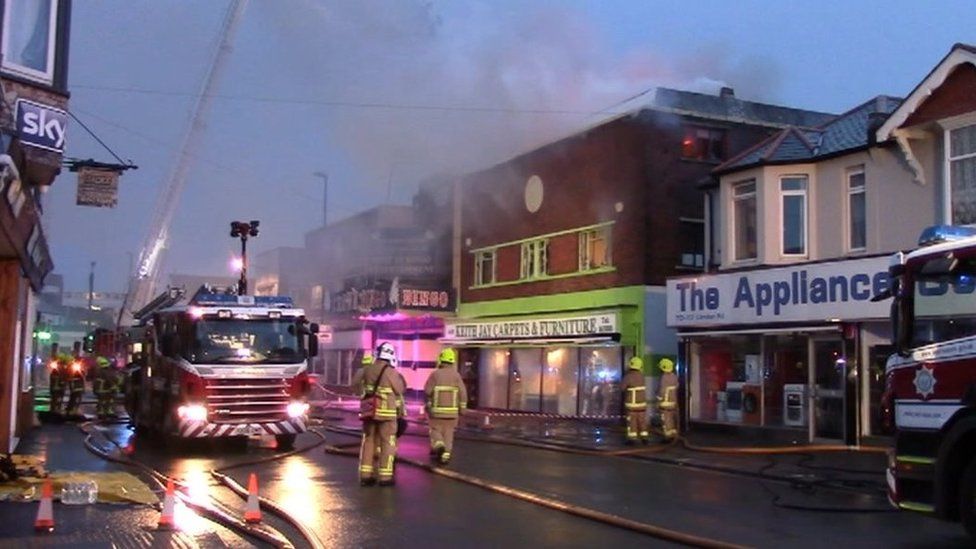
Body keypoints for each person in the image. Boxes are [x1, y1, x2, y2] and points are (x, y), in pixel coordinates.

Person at [354, 342, 405, 487]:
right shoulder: (391, 372)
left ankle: (365, 475)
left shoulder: (366, 369)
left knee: (368, 442)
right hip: (387, 414)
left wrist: (363, 394)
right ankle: (385, 477)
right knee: (387, 443)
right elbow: (400, 389)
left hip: (369, 412)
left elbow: (355, 384)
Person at [423, 348, 467, 465]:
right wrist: (462, 409)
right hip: (452, 413)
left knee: (435, 431)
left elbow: (427, 392)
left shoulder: (435, 375)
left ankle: (438, 445)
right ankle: (445, 456)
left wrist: (428, 405)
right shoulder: (456, 376)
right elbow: (463, 393)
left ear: (441, 360)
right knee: (449, 434)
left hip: (436, 412)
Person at [622, 356, 649, 445]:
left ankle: (632, 439)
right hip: (642, 404)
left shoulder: (628, 376)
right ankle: (644, 438)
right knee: (642, 421)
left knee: (632, 421)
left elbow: (622, 388)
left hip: (632, 404)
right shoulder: (642, 376)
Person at [657, 358, 679, 440]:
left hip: (665, 402)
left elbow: (661, 390)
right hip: (673, 402)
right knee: (672, 419)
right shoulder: (674, 376)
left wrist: (658, 399)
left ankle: (667, 437)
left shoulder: (663, 377)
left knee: (666, 420)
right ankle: (673, 435)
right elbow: (677, 386)